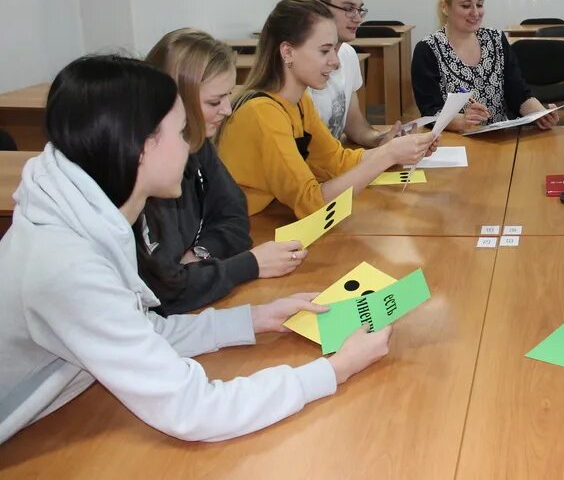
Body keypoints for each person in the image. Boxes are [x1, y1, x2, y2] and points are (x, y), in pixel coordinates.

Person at [0, 55, 392, 444]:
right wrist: (334, 369)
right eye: (182, 131)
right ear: (141, 146)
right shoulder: (67, 265)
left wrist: (254, 318)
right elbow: (195, 410)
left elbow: (140, 330)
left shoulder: (88, 212)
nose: (192, 144)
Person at [218, 0, 437, 218]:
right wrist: (387, 155)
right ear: (288, 52)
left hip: (268, 215)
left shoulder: (299, 101)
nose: (336, 61)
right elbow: (311, 203)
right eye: (324, 51)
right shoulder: (262, 113)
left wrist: (393, 150)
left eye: (334, 49)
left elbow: (336, 161)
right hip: (247, 229)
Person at [139, 29, 308, 315]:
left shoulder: (198, 145)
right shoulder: (146, 175)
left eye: (228, 96)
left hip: (194, 310)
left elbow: (234, 216)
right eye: (214, 102)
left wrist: (199, 256)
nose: (228, 110)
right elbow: (164, 292)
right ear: (175, 102)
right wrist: (247, 265)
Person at [411, 0, 559, 133]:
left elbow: (518, 93)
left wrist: (540, 114)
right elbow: (430, 112)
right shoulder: (428, 50)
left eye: (480, 4)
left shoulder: (496, 39)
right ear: (445, 7)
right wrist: (462, 121)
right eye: (466, 6)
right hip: (456, 142)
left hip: (501, 140)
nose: (475, 13)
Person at [305, 0, 402, 147]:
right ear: (317, 7)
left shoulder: (348, 54)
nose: (358, 18)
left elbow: (353, 123)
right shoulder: (299, 66)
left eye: (360, 9)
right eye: (349, 9)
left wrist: (382, 140)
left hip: (333, 163)